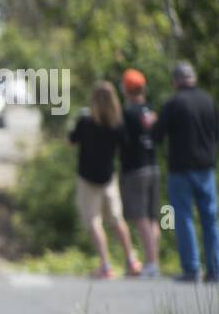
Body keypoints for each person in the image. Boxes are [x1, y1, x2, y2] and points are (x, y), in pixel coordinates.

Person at [153, 61, 218, 282]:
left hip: (180, 169)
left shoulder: (174, 103)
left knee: (183, 217)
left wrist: (152, 124)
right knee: (210, 218)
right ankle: (215, 269)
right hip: (206, 168)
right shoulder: (208, 100)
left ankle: (191, 270)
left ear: (176, 81)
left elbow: (157, 136)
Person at [69, 83, 141, 279]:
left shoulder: (85, 120)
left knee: (94, 221)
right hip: (108, 177)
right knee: (117, 219)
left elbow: (71, 141)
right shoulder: (117, 124)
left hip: (87, 178)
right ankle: (131, 261)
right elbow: (126, 145)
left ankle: (106, 265)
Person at [118, 69, 161, 277]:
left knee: (140, 218)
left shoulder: (129, 113)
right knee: (153, 219)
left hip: (136, 169)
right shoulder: (149, 110)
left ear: (126, 89)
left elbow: (121, 139)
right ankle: (153, 262)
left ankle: (151, 263)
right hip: (153, 166)